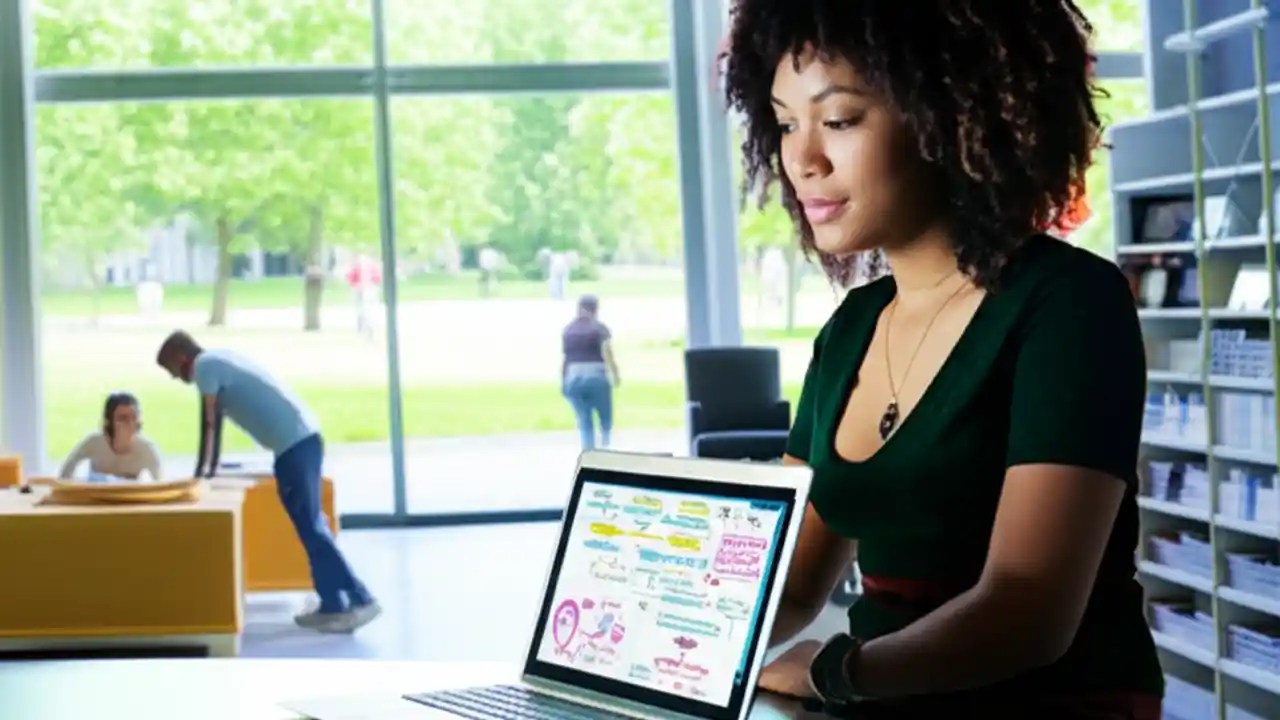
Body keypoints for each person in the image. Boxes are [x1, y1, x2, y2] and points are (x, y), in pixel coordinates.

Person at [721, 2, 1161, 718]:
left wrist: (839, 671)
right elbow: (794, 588)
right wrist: (657, 644)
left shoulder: (1068, 304)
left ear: (950, 115)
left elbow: (1027, 610)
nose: (802, 159)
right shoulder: (851, 329)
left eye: (838, 120)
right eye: (785, 121)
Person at [156, 330, 380, 634]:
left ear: (181, 359)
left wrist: (200, 475)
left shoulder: (205, 367)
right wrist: (207, 469)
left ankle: (360, 598)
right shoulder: (220, 359)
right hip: (303, 440)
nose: (175, 378)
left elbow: (208, 424)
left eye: (171, 371)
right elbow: (217, 423)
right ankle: (332, 603)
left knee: (312, 527)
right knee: (310, 525)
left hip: (294, 446)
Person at [58, 392, 163, 482]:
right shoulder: (93, 443)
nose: (130, 424)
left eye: (133, 418)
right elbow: (65, 474)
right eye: (123, 419)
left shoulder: (147, 449)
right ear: (109, 423)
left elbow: (161, 485)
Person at [561, 295, 619, 451]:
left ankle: (588, 449)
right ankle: (605, 440)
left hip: (573, 378)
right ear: (595, 309)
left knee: (584, 417)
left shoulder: (568, 330)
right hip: (597, 377)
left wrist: (563, 381)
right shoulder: (600, 329)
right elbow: (607, 353)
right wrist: (615, 374)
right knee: (605, 412)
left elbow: (566, 358)